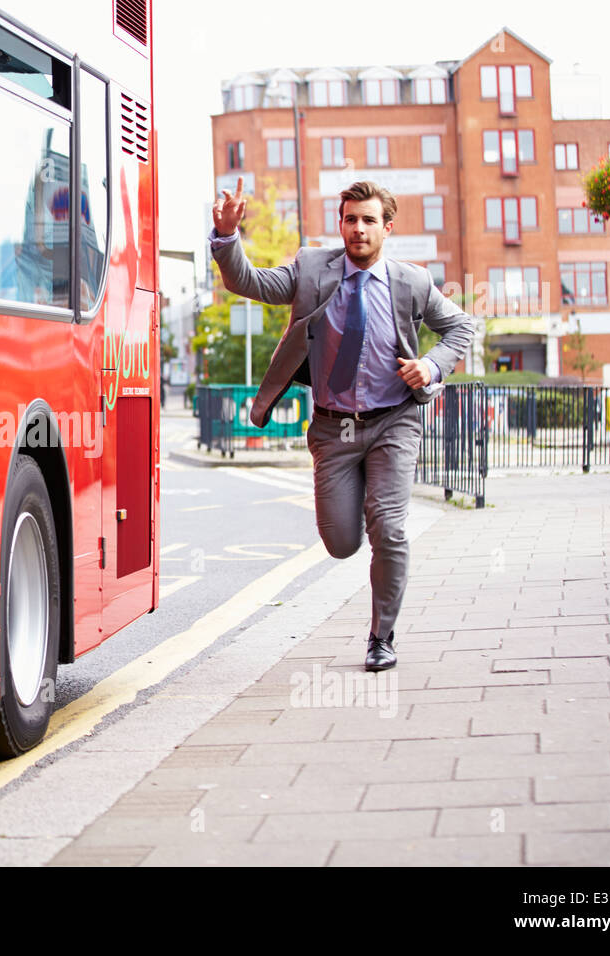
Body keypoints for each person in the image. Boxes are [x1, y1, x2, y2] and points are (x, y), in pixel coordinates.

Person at [210, 178, 472, 671]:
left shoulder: (412, 282)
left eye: (369, 220)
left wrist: (432, 366)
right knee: (342, 542)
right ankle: (364, 578)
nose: (358, 229)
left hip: (394, 421)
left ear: (387, 228)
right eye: (350, 219)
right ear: (341, 224)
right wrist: (227, 238)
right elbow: (251, 283)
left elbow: (461, 327)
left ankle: (381, 637)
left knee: (389, 529)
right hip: (334, 429)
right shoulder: (312, 269)